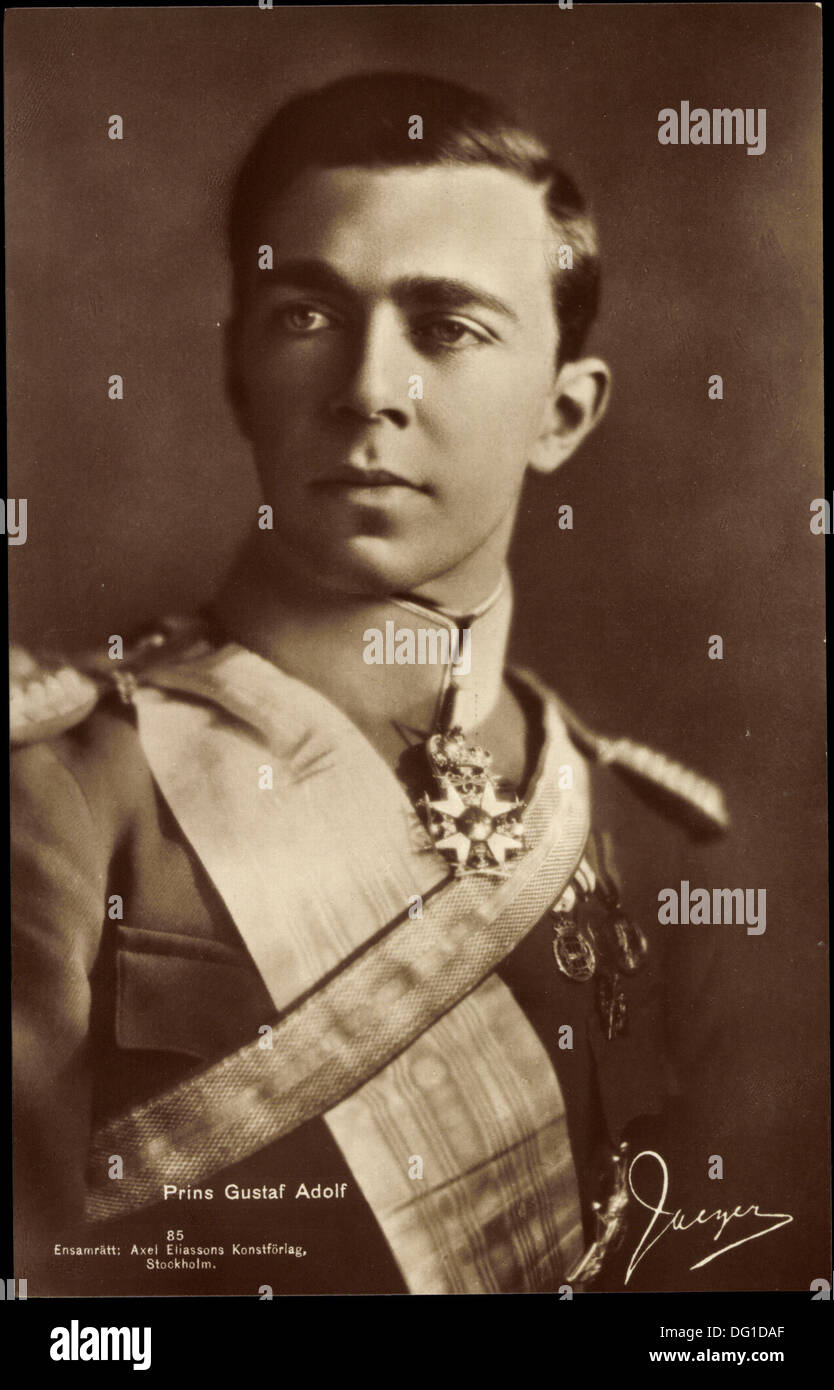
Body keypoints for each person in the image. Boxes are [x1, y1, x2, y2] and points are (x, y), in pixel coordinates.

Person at [11, 71, 734, 1296]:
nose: (367, 390)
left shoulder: (640, 831)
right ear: (238, 368)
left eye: (446, 328)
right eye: (305, 315)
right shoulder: (66, 792)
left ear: (563, 412)